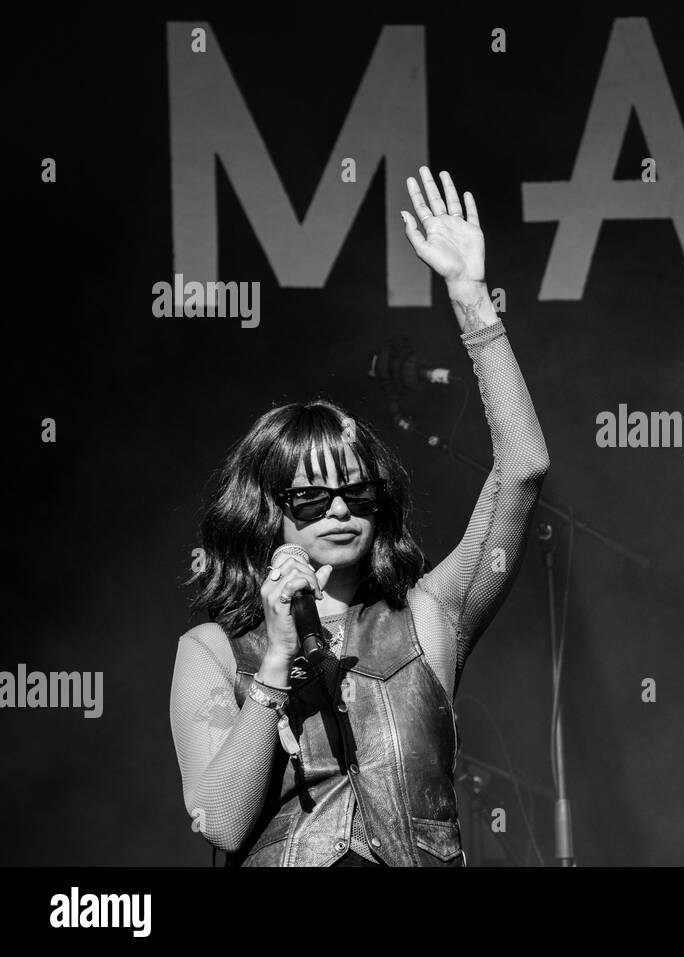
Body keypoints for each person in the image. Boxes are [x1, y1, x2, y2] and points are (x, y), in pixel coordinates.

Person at [169, 168, 548, 866]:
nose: (340, 509)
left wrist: (472, 303)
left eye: (358, 492)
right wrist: (278, 658)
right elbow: (219, 821)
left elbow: (521, 470)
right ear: (267, 514)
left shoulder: (430, 616)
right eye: (312, 499)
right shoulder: (213, 651)